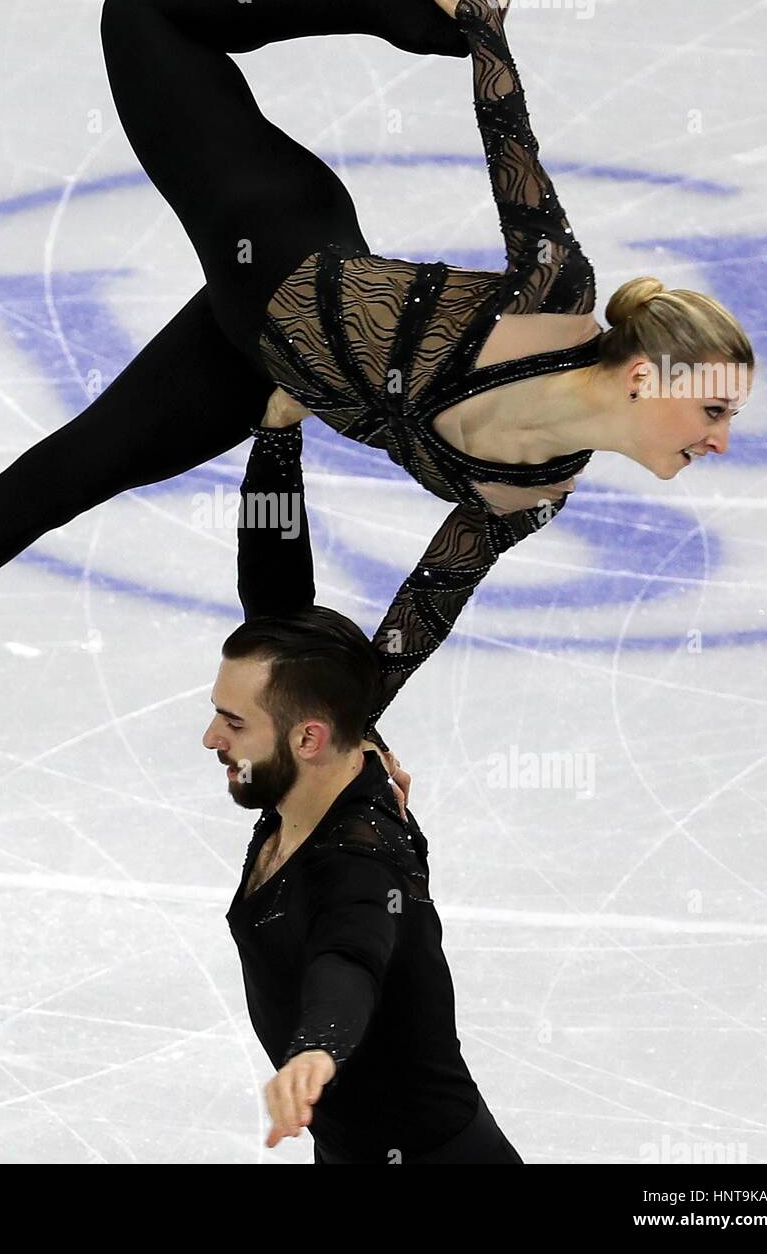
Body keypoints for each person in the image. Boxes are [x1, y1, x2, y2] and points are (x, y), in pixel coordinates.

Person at [0, 0, 753, 780]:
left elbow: (402, 635)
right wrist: (476, 19)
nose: (716, 439)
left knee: (43, 487)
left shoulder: (530, 494)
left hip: (250, 363)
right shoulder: (553, 302)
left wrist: (346, 748)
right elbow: (505, 135)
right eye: (709, 408)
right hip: (278, 236)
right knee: (142, 13)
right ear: (639, 376)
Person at [209, 421, 520, 1162]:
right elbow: (273, 592)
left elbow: (350, 953)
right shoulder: (330, 747)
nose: (211, 739)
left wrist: (316, 1050)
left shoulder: (359, 856)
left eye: (231, 722)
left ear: (307, 739)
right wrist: (276, 436)